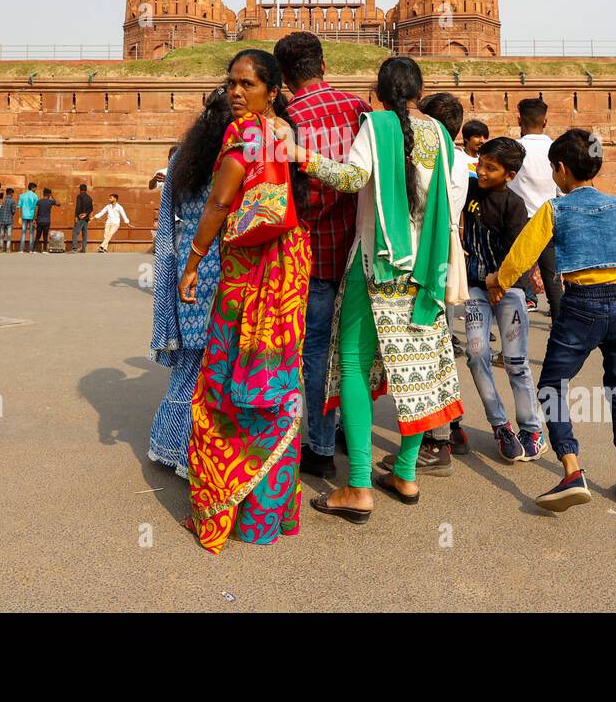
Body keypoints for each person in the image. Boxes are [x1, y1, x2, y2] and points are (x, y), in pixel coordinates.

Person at [280, 55, 465, 524]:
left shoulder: (377, 124)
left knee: (355, 364)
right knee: (418, 368)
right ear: (420, 93)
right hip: (426, 270)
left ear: (378, 92)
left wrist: (304, 156)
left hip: (377, 266)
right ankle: (404, 472)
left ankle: (358, 485)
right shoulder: (441, 135)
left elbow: (352, 179)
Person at [177, 49, 311, 553]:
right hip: (287, 264)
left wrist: (192, 261)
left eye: (248, 84)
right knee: (276, 382)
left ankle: (224, 506)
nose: (236, 92)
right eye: (231, 82)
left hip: (251, 270)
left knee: (227, 381)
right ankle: (265, 520)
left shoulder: (242, 135)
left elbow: (218, 202)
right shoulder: (283, 133)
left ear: (270, 91)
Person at [487, 129, 616, 512]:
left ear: (560, 169)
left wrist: (499, 280)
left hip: (581, 307)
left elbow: (521, 255)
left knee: (552, 385)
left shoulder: (554, 209)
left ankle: (572, 468)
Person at [274, 31, 371, 481]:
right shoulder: (362, 110)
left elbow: (282, 190)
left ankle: (319, 445)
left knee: (314, 349)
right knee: (353, 350)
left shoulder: (285, 119)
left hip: (311, 251)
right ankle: (354, 433)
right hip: (362, 250)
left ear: (284, 77)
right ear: (324, 65)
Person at [148, 89, 230, 478]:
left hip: (188, 266)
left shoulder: (182, 159)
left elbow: (166, 225)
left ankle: (169, 446)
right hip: (221, 265)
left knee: (190, 359)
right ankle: (194, 455)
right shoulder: (234, 158)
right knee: (217, 364)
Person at [459, 137, 546, 462]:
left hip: (508, 290)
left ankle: (531, 428)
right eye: (480, 163)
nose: (481, 171)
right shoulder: (470, 191)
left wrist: (499, 283)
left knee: (515, 363)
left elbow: (515, 255)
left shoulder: (514, 205)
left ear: (509, 175)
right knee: (476, 353)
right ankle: (500, 424)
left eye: (490, 168)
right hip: (478, 288)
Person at [418, 91, 475, 467]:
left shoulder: (433, 158)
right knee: (438, 339)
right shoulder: (462, 161)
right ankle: (451, 425)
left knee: (428, 343)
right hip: (447, 251)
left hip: (428, 252)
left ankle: (438, 440)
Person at [508, 97, 562, 318]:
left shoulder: (515, 149)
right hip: (549, 218)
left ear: (520, 120)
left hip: (520, 221)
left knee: (517, 278)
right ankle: (561, 328)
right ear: (545, 121)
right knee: (553, 280)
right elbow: (562, 189)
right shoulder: (555, 149)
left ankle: (514, 332)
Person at [18, 182, 39, 253]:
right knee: (31, 233)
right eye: (35, 188)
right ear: (32, 188)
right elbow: (36, 208)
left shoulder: (22, 196)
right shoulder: (35, 196)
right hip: (31, 216)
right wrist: (35, 218)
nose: (36, 189)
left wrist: (19, 217)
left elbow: (19, 207)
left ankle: (21, 249)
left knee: (23, 233)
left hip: (24, 216)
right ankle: (30, 250)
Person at [35, 187, 58, 252]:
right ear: (48, 194)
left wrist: (35, 219)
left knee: (37, 236)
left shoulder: (39, 201)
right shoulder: (50, 202)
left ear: (43, 194)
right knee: (45, 236)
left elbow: (36, 211)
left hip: (39, 221)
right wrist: (52, 196)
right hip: (47, 221)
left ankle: (34, 249)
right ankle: (45, 250)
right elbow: (58, 203)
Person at [72, 183, 93, 253]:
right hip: (86, 218)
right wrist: (86, 214)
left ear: (80, 189)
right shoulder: (89, 198)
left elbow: (78, 207)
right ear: (86, 190)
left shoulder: (79, 196)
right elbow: (91, 209)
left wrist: (76, 216)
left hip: (80, 217)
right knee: (85, 233)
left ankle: (75, 248)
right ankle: (84, 248)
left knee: (75, 232)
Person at [0, 187, 16, 253]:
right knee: (9, 235)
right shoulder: (12, 201)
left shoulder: (1, 200)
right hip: (9, 220)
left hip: (1, 220)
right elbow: (13, 211)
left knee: (2, 235)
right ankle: (8, 249)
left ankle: (1, 248)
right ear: (11, 193)